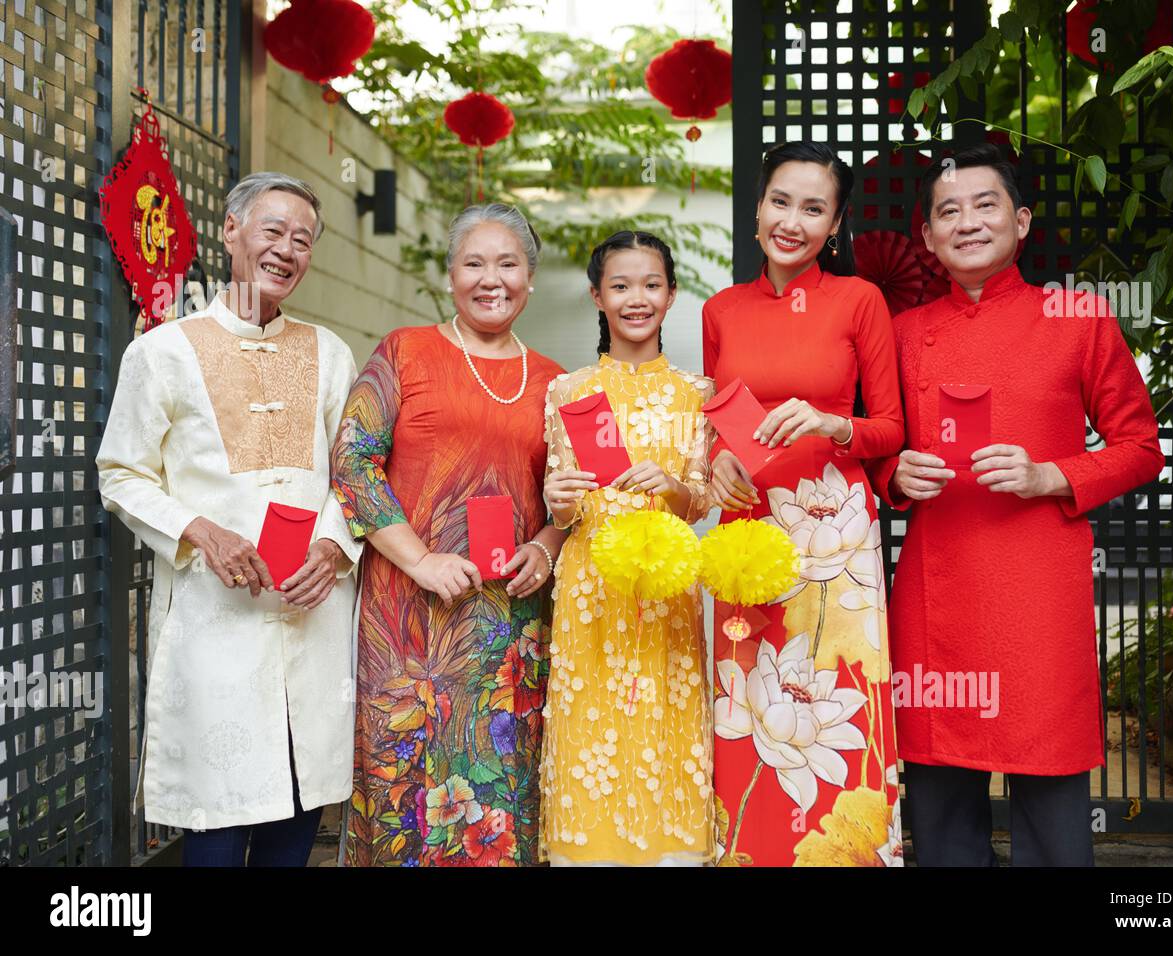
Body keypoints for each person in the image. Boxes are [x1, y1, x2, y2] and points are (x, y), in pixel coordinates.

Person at [868, 143, 1165, 866]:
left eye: (985, 203)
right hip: (940, 590)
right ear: (929, 238)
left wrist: (1050, 477)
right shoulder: (901, 334)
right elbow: (875, 451)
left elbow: (1142, 446)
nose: (967, 222)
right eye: (948, 211)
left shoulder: (1078, 317)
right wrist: (896, 475)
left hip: (1038, 587)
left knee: (1051, 795)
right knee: (940, 811)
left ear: (1022, 220)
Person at [97, 172, 362, 866]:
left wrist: (334, 547)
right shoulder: (163, 352)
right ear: (231, 230)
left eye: (302, 240)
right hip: (217, 623)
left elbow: (358, 474)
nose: (286, 250)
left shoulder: (332, 355)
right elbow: (120, 471)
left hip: (313, 613)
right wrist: (199, 532)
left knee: (296, 827)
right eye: (273, 230)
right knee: (216, 831)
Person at [330, 203, 567, 866]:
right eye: (474, 263)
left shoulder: (555, 381)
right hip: (406, 615)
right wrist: (421, 559)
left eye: (508, 264)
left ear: (530, 277)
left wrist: (546, 548)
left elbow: (570, 498)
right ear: (452, 273)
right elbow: (351, 460)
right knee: (400, 781)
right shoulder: (405, 351)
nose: (491, 279)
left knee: (495, 785)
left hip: (504, 623)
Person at [704, 141, 906, 867]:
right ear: (757, 208)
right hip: (748, 529)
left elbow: (891, 429)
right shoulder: (721, 309)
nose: (793, 220)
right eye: (781, 202)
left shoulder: (859, 300)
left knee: (834, 709)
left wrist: (829, 422)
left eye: (814, 207)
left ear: (836, 222)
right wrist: (715, 461)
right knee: (749, 711)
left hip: (836, 535)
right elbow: (717, 421)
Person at [539, 231, 715, 866]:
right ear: (597, 297)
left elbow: (701, 503)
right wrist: (557, 500)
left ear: (670, 295)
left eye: (650, 284)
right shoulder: (569, 393)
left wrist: (672, 487)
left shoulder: (698, 393)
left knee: (666, 729)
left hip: (667, 595)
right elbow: (563, 508)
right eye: (620, 286)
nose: (635, 298)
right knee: (592, 731)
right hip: (589, 593)